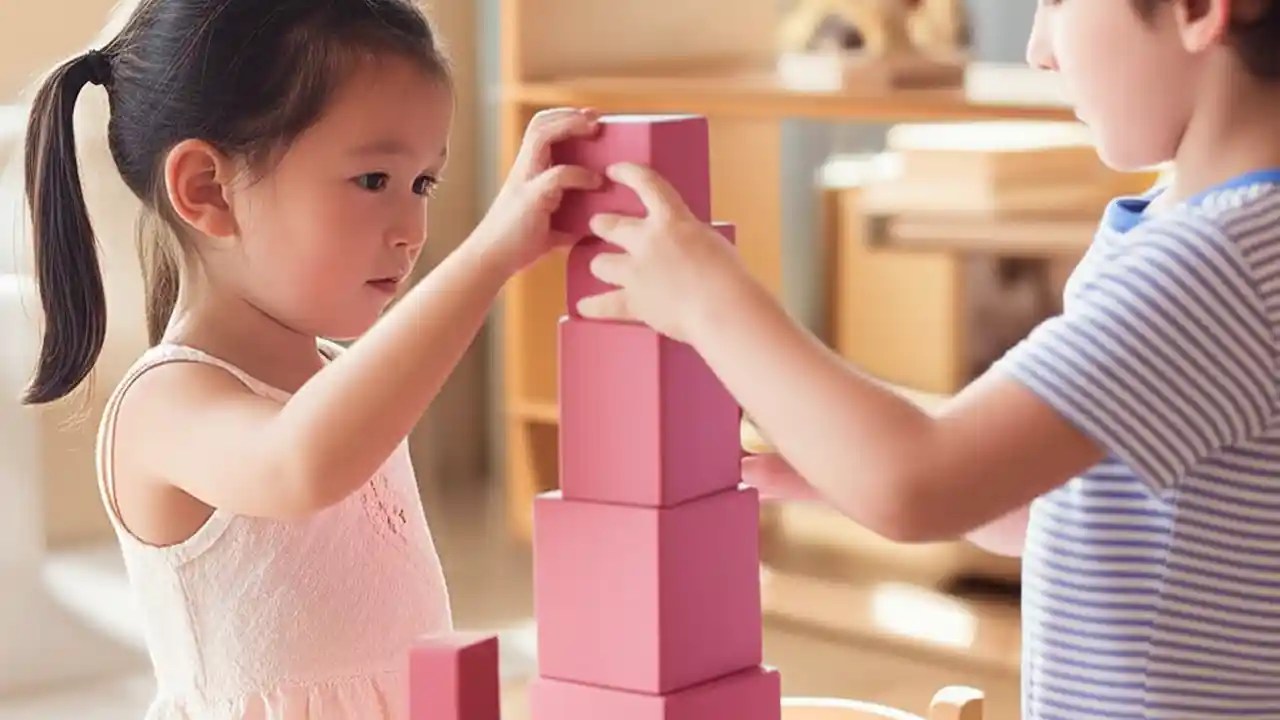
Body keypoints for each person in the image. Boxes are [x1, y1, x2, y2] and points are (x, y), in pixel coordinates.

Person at [577, 0, 1280, 716]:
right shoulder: (1197, 234)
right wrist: (836, 468)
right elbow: (1062, 504)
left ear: (1198, 11)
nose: (1039, 49)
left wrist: (709, 299)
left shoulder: (1215, 266)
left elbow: (920, 481)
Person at [20, 1, 599, 716]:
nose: (413, 230)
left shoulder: (340, 382)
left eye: (424, 184)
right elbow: (301, 464)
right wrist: (487, 256)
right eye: (374, 182)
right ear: (206, 189)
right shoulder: (163, 405)